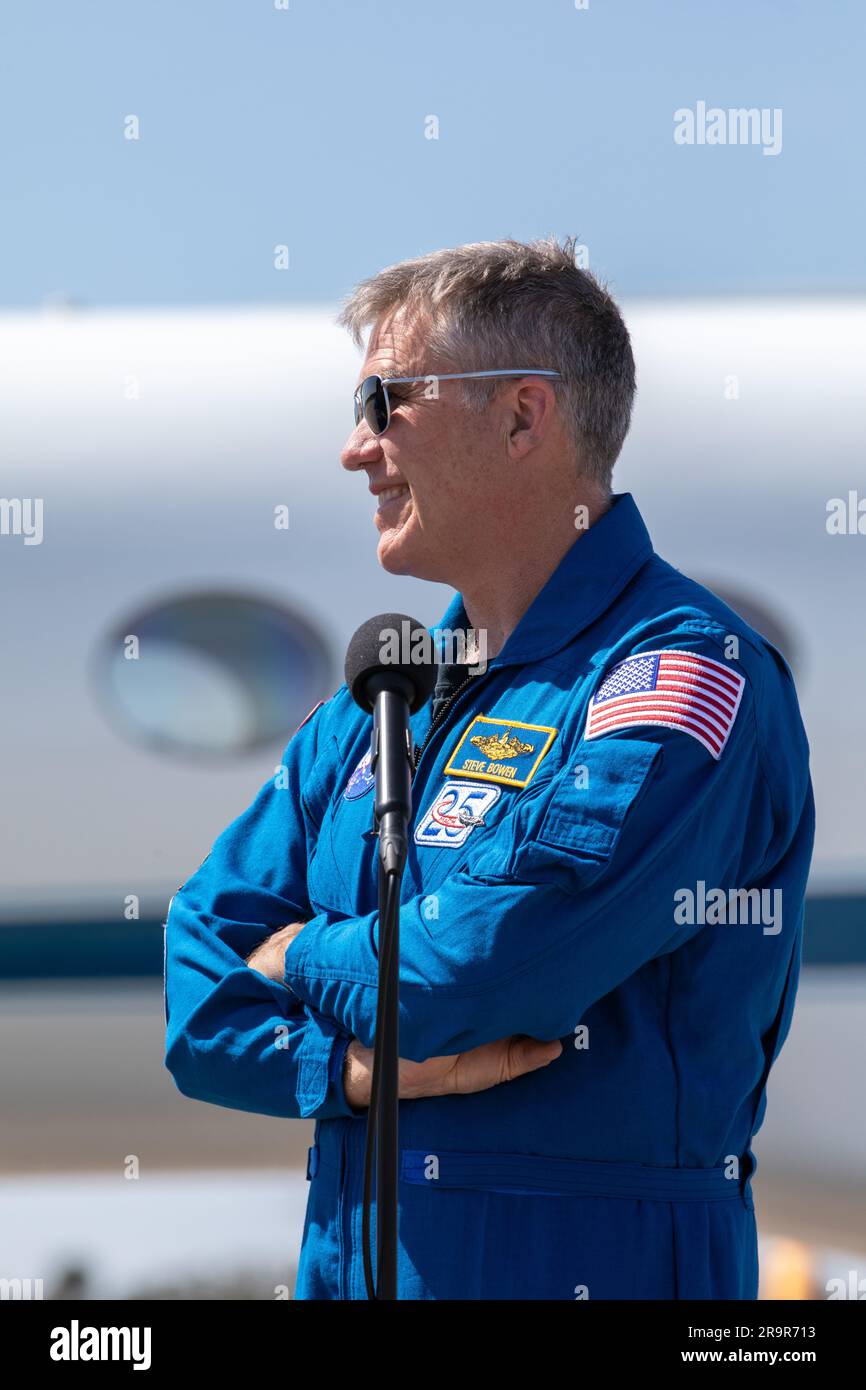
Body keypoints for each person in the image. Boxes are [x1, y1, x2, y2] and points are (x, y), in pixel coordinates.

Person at [164, 236, 814, 1300]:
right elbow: (196, 996)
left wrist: (294, 957)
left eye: (385, 401)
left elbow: (488, 974)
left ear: (522, 416)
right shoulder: (381, 700)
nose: (353, 449)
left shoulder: (684, 677)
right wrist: (354, 1072)